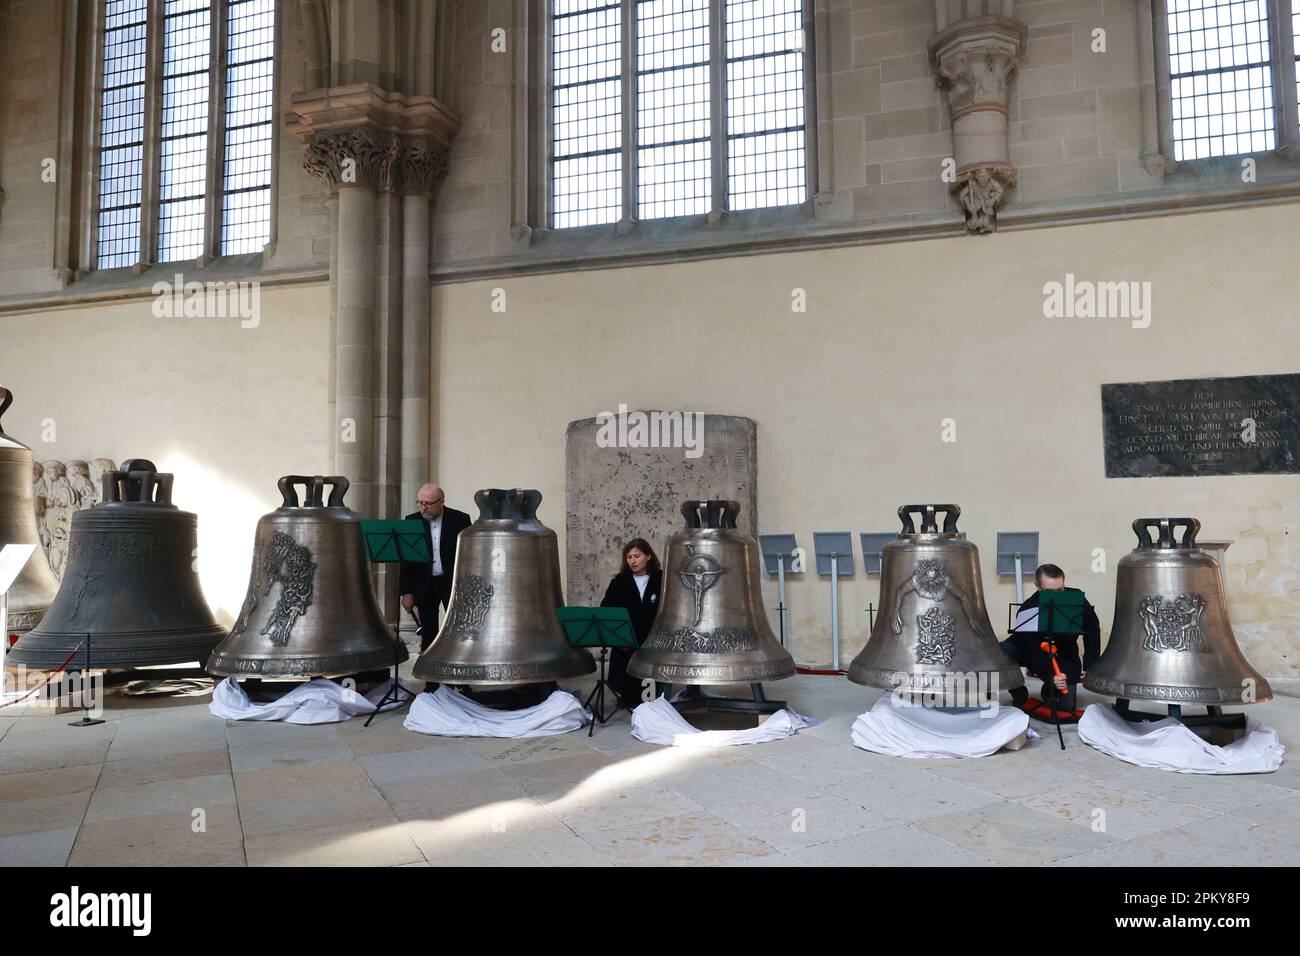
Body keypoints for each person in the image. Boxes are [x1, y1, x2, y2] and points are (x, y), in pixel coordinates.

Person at [1001, 563, 1101, 716]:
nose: (1058, 596)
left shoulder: (1076, 598)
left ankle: (1049, 689)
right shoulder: (1028, 608)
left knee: (1067, 707)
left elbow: (1092, 628)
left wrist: (1091, 666)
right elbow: (1032, 649)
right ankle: (1018, 690)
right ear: (1038, 586)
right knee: (1001, 651)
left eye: (1060, 589)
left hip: (1064, 654)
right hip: (1032, 651)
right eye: (1050, 591)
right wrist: (1051, 676)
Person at [399, 484, 472, 652]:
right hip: (425, 584)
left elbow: (468, 557)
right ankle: (429, 671)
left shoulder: (460, 520)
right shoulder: (412, 521)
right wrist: (407, 592)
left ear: (442, 502)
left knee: (458, 628)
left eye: (428, 504)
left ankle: (456, 668)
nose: (423, 508)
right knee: (428, 631)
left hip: (452, 584)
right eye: (420, 503)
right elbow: (406, 562)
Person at [599, 538, 663, 709]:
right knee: (627, 687)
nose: (633, 561)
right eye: (629, 557)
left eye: (637, 556)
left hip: (652, 640)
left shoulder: (661, 579)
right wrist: (619, 639)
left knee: (651, 690)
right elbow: (606, 610)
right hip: (625, 640)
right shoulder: (619, 582)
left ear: (648, 556)